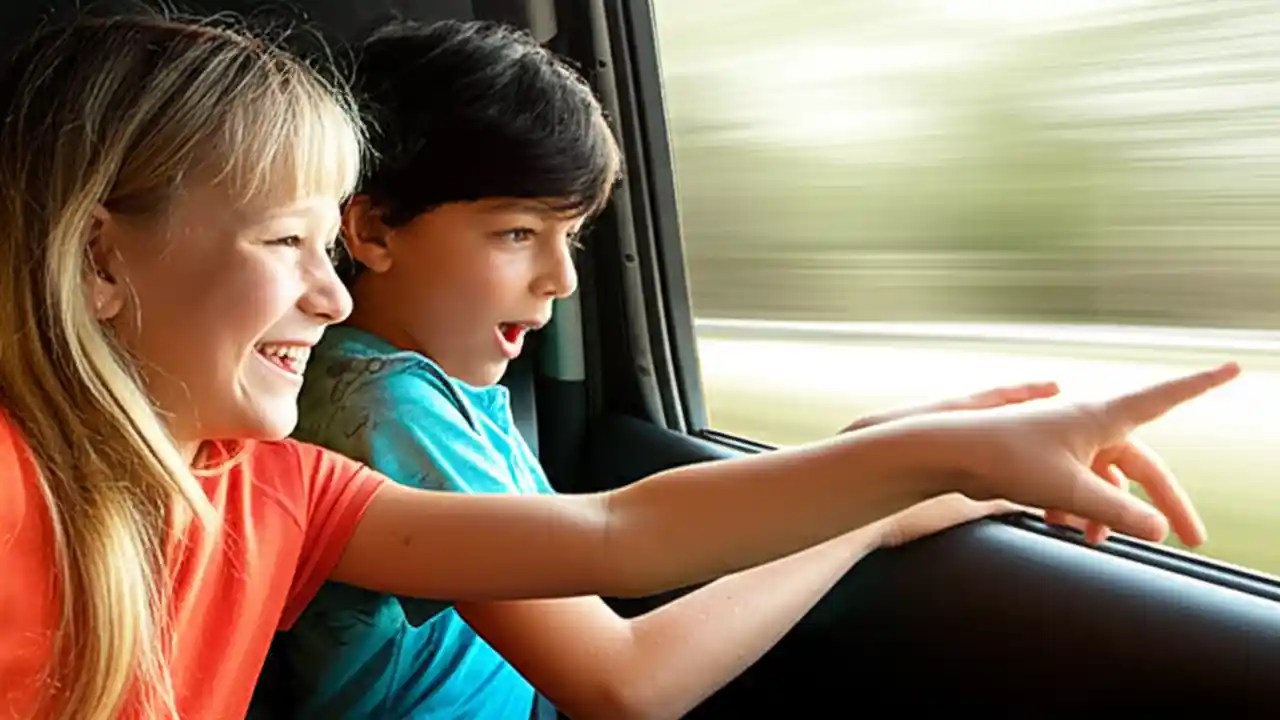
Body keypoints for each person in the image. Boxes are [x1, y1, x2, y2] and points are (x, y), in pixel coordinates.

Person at [0, 11, 1235, 720]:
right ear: (100, 258)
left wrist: (917, 454)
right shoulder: (354, 415)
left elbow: (617, 533)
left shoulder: (285, 490)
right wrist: (891, 490)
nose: (329, 295)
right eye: (286, 244)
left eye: (326, 250)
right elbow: (622, 672)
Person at [259, 20, 1077, 720]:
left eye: (572, 236)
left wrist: (860, 459)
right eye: (517, 234)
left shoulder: (427, 393)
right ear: (374, 231)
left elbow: (624, 540)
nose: (562, 278)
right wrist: (873, 513)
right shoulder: (387, 409)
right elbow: (624, 683)